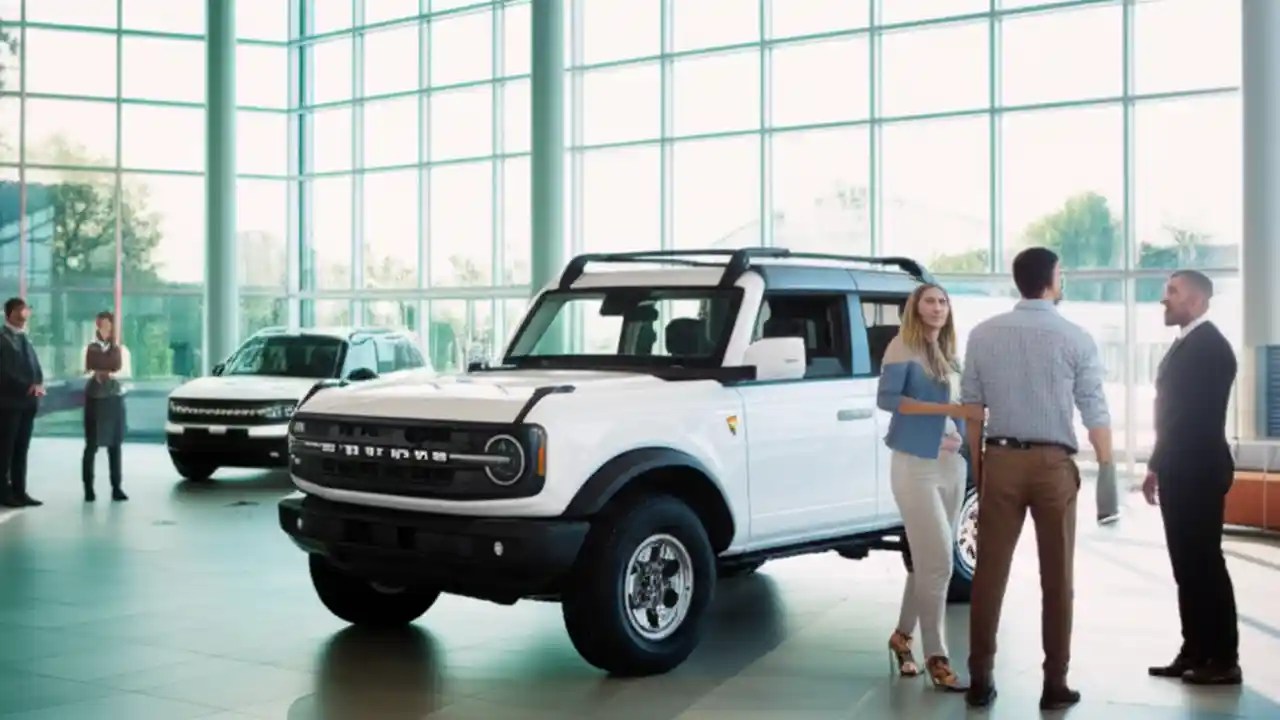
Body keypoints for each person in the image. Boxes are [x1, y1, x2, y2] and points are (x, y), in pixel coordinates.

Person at [959, 247, 1115, 710]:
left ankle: (980, 679)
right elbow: (1094, 409)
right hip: (1053, 467)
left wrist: (981, 467)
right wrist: (1107, 468)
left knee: (988, 574)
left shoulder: (983, 335)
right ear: (1050, 280)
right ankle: (1054, 684)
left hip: (1000, 460)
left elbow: (973, 408)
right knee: (1057, 577)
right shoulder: (1075, 338)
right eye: (1061, 274)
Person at [877, 283, 979, 692]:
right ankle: (938, 657)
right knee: (939, 562)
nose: (938, 307)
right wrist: (948, 409)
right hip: (914, 466)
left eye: (943, 301)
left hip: (951, 466)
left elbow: (965, 407)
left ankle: (902, 639)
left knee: (926, 562)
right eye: (930, 301)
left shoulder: (950, 353)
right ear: (915, 307)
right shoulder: (902, 346)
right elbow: (888, 400)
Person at [1144, 270, 1240, 685]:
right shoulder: (1188, 343)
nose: (1164, 299)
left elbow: (1191, 420)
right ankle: (1195, 649)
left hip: (1197, 469)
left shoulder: (1210, 348)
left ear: (1197, 301)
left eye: (1173, 292)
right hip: (1179, 467)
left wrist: (1164, 460)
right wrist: (1156, 463)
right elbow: (1169, 413)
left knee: (1204, 563)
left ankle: (1223, 659)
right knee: (1186, 564)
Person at [0, 297, 45, 508]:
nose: (24, 315)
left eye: (26, 311)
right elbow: (5, 373)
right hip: (9, 404)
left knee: (21, 449)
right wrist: (26, 386)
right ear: (9, 314)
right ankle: (3, 492)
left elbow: (34, 366)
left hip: (27, 404)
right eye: (20, 311)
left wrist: (38, 384)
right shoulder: (2, 339)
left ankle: (20, 490)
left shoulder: (24, 339)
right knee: (5, 450)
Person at [83, 310, 128, 502]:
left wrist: (104, 366)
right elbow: (94, 363)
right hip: (95, 398)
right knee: (92, 444)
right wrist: (105, 366)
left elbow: (116, 365)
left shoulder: (117, 348)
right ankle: (89, 488)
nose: (107, 329)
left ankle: (116, 487)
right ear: (98, 326)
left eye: (110, 325)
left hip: (113, 398)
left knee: (115, 445)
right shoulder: (91, 348)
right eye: (103, 325)